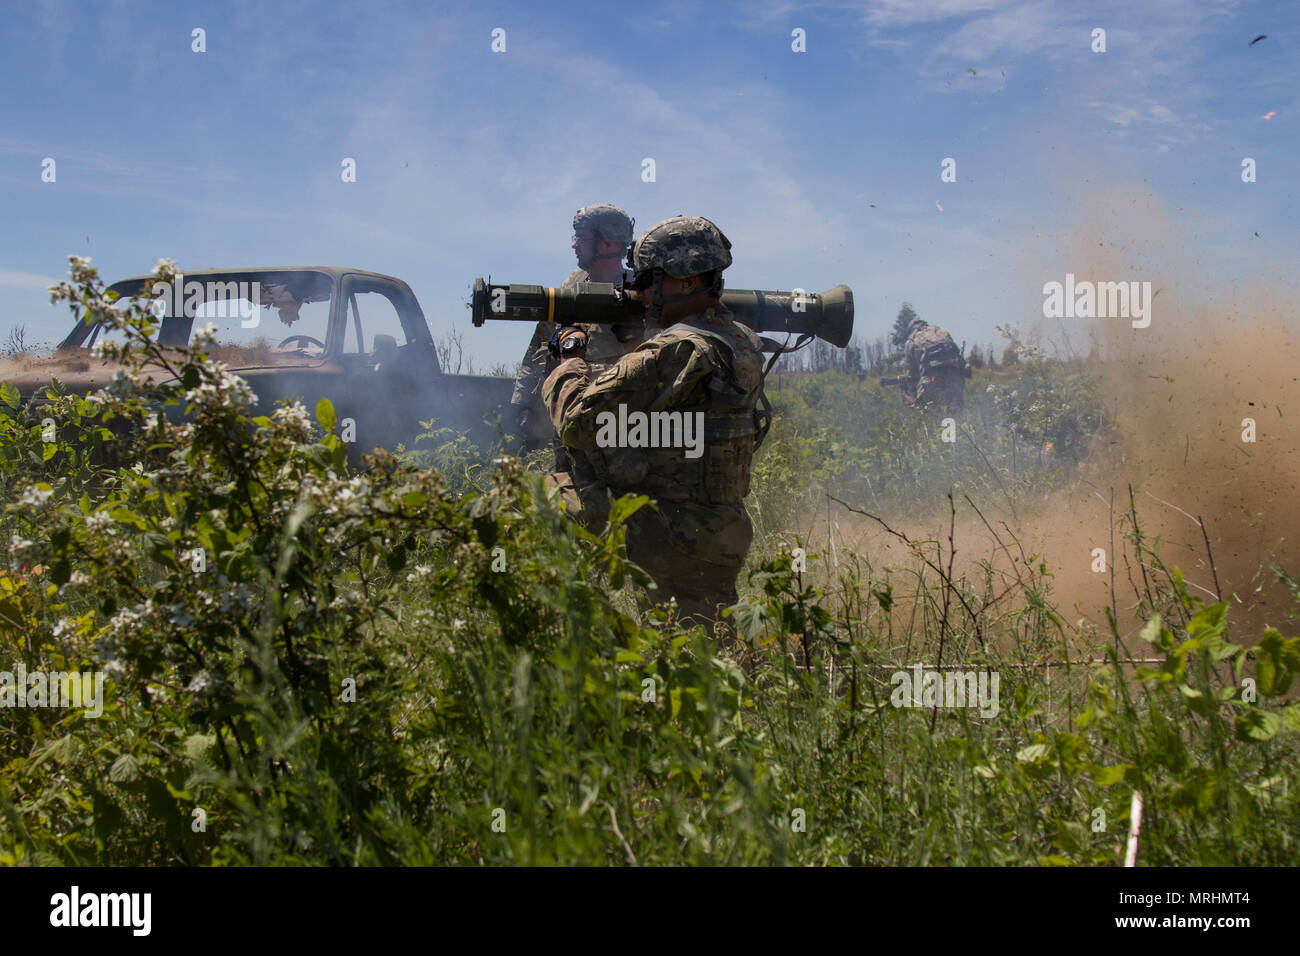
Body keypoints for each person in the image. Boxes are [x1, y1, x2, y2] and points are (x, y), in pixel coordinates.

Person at [541, 216, 767, 628]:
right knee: (706, 635)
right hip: (722, 527)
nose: (639, 291)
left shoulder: (679, 349)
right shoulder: (742, 339)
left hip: (671, 535)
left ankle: (567, 631)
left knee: (549, 492)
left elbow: (577, 421)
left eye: (648, 279)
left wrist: (570, 357)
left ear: (685, 281)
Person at [509, 204, 641, 455]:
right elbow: (539, 344)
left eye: (582, 238)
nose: (574, 245)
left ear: (609, 244)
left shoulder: (637, 294)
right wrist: (522, 403)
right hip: (561, 416)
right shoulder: (573, 284)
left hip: (606, 426)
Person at [902, 316, 966, 414]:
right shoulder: (941, 331)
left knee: (927, 413)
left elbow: (912, 374)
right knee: (957, 413)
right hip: (955, 375)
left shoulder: (911, 341)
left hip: (931, 378)